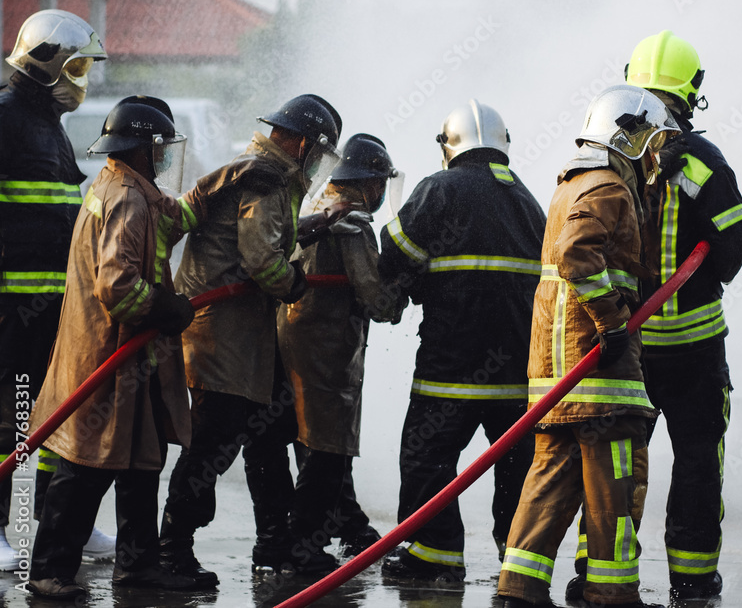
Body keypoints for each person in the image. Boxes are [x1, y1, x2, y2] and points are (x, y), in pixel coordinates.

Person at [558, 30, 742, 603]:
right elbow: (735, 244)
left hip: (620, 342)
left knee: (614, 462)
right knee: (696, 462)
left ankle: (599, 575)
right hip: (692, 349)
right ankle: (691, 581)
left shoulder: (602, 157)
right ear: (690, 93)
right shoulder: (702, 160)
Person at [497, 84, 675, 608]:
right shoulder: (609, 189)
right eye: (652, 140)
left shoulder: (569, 186)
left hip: (556, 375)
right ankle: (612, 592)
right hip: (599, 373)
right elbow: (578, 256)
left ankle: (519, 587)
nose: (655, 154)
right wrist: (614, 322)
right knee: (615, 485)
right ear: (630, 136)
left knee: (549, 480)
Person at [26, 97, 206, 599]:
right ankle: (49, 570)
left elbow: (175, 217)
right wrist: (170, 310)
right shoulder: (127, 198)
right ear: (143, 150)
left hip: (128, 359)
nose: (164, 157)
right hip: (110, 357)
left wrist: (221, 185)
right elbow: (119, 285)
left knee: (138, 464)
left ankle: (138, 567)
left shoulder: (116, 185)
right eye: (159, 148)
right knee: (85, 468)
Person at [158, 94, 341, 582]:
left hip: (241, 337)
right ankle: (173, 551)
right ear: (302, 142)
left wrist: (316, 225)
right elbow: (261, 258)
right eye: (318, 152)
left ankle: (274, 542)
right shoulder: (264, 176)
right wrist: (294, 284)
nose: (316, 163)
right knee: (213, 444)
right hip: (220, 338)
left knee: (264, 432)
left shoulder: (260, 172)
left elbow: (268, 234)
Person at [378, 99, 545, 584]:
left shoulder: (440, 189)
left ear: (448, 145)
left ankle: (434, 558)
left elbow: (395, 256)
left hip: (449, 372)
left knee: (426, 457)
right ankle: (519, 565)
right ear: (502, 144)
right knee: (517, 466)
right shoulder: (529, 203)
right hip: (517, 378)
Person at [0, 9, 117, 570]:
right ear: (45, 61)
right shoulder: (4, 115)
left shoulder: (47, 122)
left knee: (54, 413)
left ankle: (56, 519)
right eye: (75, 65)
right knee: (8, 416)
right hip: (10, 306)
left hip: (56, 305)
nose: (81, 79)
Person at [277, 133, 400, 569]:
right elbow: (375, 297)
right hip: (328, 348)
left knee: (314, 441)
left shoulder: (314, 205)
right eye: (381, 183)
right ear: (370, 184)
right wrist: (402, 290)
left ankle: (351, 525)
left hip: (294, 341)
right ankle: (304, 544)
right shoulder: (354, 221)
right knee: (329, 448)